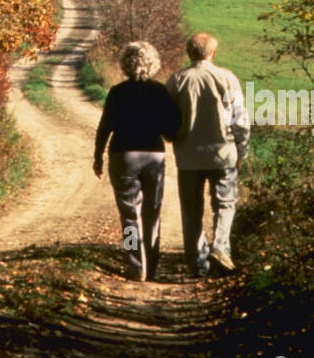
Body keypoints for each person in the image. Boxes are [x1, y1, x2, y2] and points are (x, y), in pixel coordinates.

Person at [93, 41, 181, 281]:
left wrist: (98, 156)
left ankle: (135, 263)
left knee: (129, 215)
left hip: (123, 154)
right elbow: (171, 128)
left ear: (126, 64)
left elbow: (105, 127)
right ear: (153, 63)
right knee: (153, 212)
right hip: (154, 154)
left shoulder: (117, 92)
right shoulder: (160, 91)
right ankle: (152, 265)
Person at [166, 32, 249, 277]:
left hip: (189, 156)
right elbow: (240, 120)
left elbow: (167, 119)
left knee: (191, 209)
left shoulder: (178, 80)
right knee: (225, 203)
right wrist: (241, 150)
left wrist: (172, 138)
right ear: (213, 53)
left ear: (188, 53)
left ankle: (198, 263)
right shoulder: (227, 78)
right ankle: (220, 247)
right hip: (223, 152)